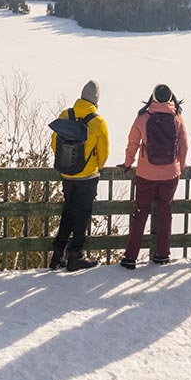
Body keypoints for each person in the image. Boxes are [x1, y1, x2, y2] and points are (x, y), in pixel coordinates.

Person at [119, 84, 188, 269]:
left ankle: (130, 257)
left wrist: (127, 163)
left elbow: (132, 142)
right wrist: (179, 167)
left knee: (141, 213)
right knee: (165, 212)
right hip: (170, 174)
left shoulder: (143, 117)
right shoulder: (177, 118)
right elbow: (184, 145)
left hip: (146, 174)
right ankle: (163, 255)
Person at [49, 80, 109, 271]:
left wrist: (67, 165)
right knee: (82, 214)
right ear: (96, 100)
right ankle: (75, 255)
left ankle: (57, 255)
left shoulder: (66, 115)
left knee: (68, 212)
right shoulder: (98, 122)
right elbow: (104, 152)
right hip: (87, 177)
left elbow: (54, 143)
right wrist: (93, 167)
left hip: (67, 175)